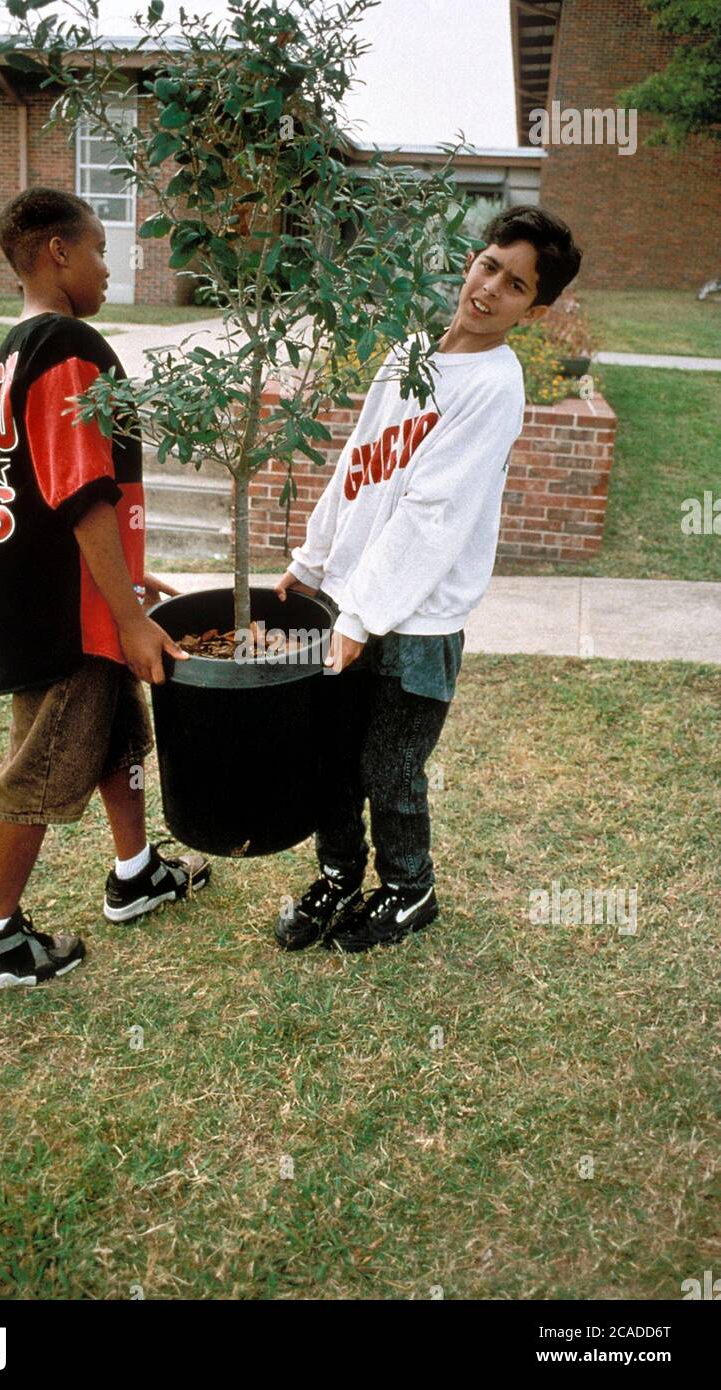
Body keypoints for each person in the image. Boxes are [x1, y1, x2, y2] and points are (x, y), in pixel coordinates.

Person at [274, 205, 582, 954]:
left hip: (419, 618)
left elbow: (434, 516)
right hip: (351, 595)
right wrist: (314, 562)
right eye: (487, 266)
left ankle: (410, 890)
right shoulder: (410, 354)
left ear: (533, 311)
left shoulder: (494, 386)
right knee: (334, 754)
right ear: (472, 259)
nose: (488, 289)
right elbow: (357, 459)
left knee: (391, 765)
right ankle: (341, 875)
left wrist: (360, 619)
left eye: (514, 286)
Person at [0, 187, 210, 995]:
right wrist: (128, 615)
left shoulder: (19, 344)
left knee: (115, 734)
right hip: (51, 595)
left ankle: (135, 873)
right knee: (47, 756)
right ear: (58, 252)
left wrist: (125, 583)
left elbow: (45, 484)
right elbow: (80, 491)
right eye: (99, 250)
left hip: (30, 577)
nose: (108, 268)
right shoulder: (68, 342)